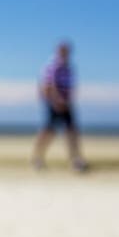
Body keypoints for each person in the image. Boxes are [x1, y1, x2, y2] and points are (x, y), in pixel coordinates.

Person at [32, 41, 88, 172]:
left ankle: (75, 159)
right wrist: (56, 101)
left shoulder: (69, 67)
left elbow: (71, 86)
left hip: (66, 103)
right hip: (54, 103)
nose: (65, 53)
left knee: (71, 131)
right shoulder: (52, 66)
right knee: (49, 131)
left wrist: (68, 100)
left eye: (67, 51)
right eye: (63, 51)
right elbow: (47, 85)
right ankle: (37, 158)